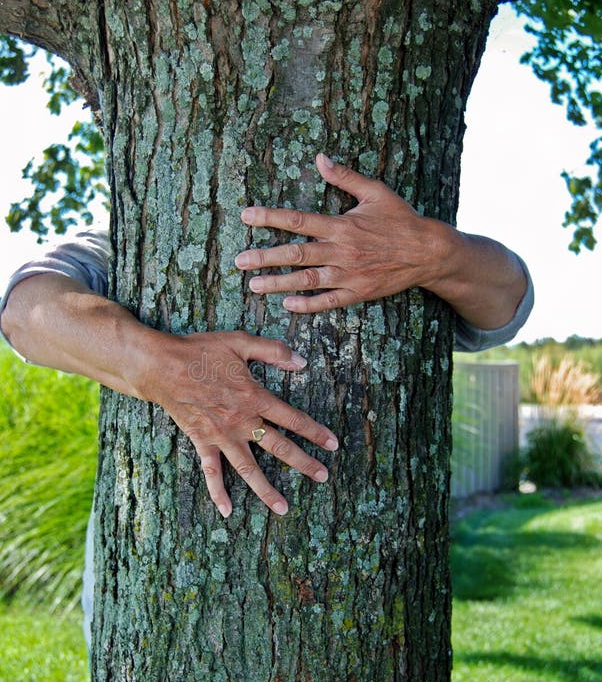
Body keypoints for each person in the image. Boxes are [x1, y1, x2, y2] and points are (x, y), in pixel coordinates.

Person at [1, 153, 533, 517]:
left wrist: (430, 253)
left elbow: (508, 303)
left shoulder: (400, 231)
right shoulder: (135, 240)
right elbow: (25, 313)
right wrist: (160, 366)